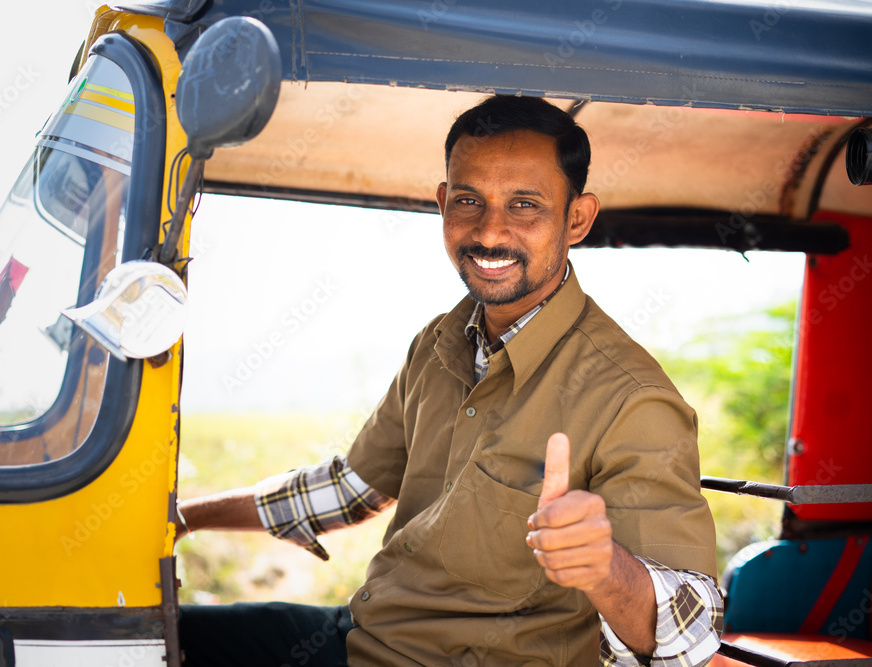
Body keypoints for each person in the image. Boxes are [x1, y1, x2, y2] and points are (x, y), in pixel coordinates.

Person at [177, 95, 723, 666]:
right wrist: (185, 518)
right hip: (365, 636)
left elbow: (692, 638)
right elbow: (353, 488)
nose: (490, 231)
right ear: (442, 204)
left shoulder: (630, 399)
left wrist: (605, 567)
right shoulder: (441, 341)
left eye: (525, 205)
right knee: (154, 634)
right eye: (468, 200)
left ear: (577, 219)